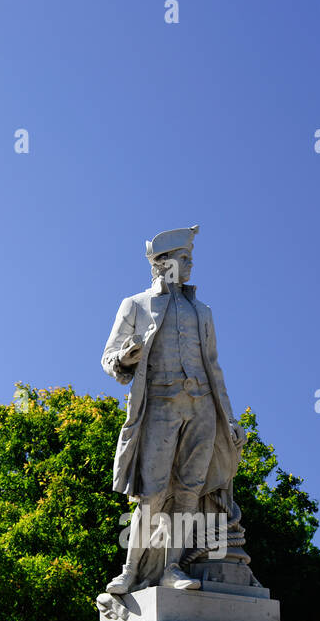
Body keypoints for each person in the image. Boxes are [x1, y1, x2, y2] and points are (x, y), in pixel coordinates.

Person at [102, 225, 245, 593]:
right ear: (162, 264)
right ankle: (130, 570)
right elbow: (109, 358)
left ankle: (171, 570)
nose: (190, 265)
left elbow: (214, 368)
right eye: (185, 258)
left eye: (191, 259)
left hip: (201, 411)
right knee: (151, 493)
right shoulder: (134, 304)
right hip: (160, 407)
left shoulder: (203, 312)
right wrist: (125, 357)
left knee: (188, 494)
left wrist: (229, 418)